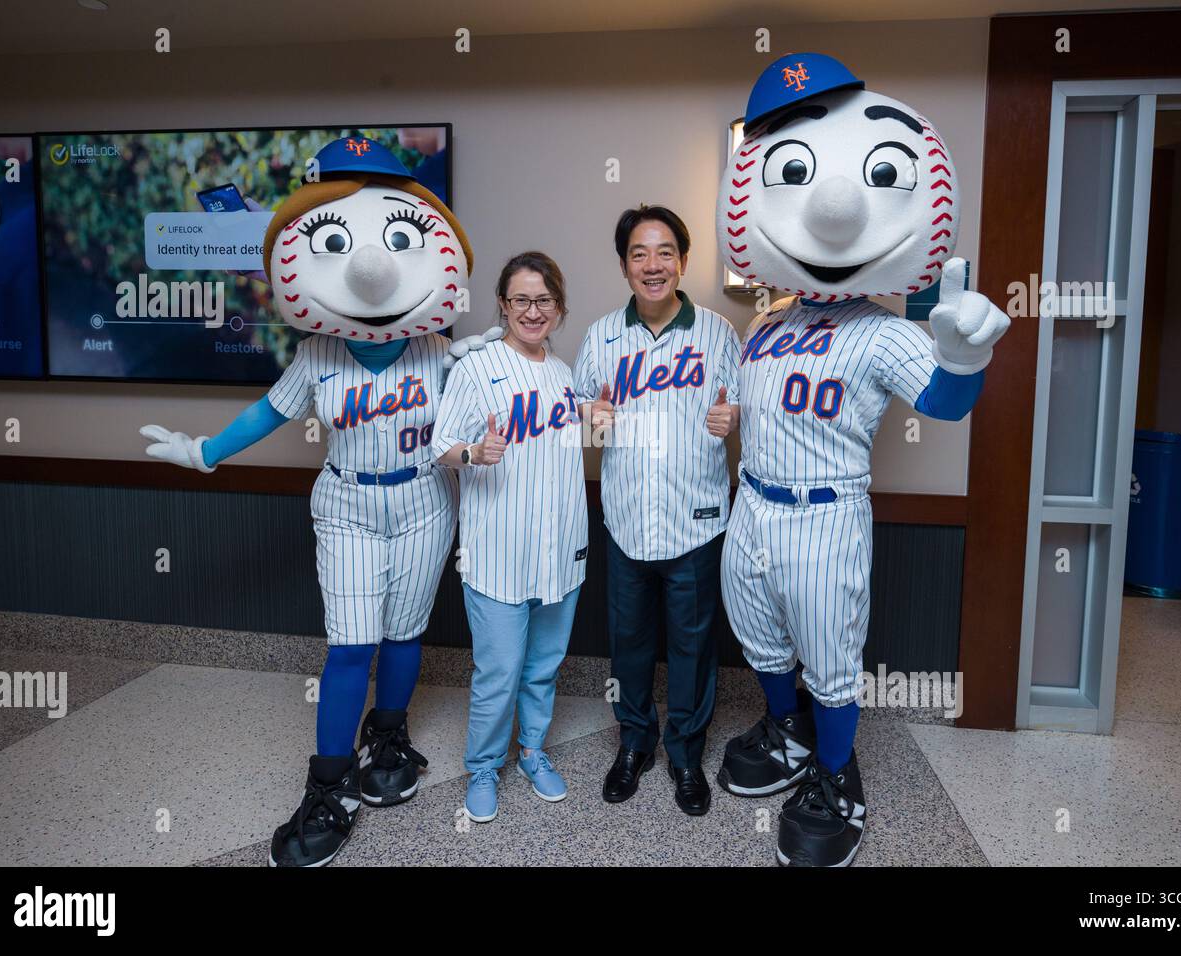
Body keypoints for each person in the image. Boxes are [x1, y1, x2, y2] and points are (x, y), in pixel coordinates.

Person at [140, 136, 491, 867]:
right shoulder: (319, 353)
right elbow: (268, 412)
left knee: (404, 634)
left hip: (427, 500)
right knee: (351, 647)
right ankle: (327, 787)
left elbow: (487, 404)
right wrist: (205, 452)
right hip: (348, 504)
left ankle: (387, 734)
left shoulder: (436, 346)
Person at [713, 53, 1010, 866]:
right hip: (754, 504)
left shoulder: (883, 329)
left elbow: (946, 406)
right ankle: (788, 732)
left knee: (831, 660)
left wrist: (964, 360)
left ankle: (839, 777)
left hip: (824, 511)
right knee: (763, 641)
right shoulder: (767, 321)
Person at [573, 205, 739, 815]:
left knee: (694, 647)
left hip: (696, 521)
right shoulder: (601, 337)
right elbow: (577, 416)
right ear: (623, 266)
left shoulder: (719, 333)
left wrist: (733, 418)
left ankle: (687, 754)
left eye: (665, 251)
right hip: (625, 523)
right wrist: (593, 419)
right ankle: (633, 744)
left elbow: (745, 405)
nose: (653, 264)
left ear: (683, 261)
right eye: (639, 254)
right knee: (630, 646)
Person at [432, 251, 589, 824]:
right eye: (520, 299)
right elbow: (438, 446)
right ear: (502, 304)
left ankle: (533, 751)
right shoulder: (477, 368)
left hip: (560, 552)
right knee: (498, 671)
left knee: (543, 666)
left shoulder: (564, 373)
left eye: (542, 300)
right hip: (497, 552)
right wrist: (474, 452)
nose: (531, 310)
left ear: (558, 307)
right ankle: (482, 766)